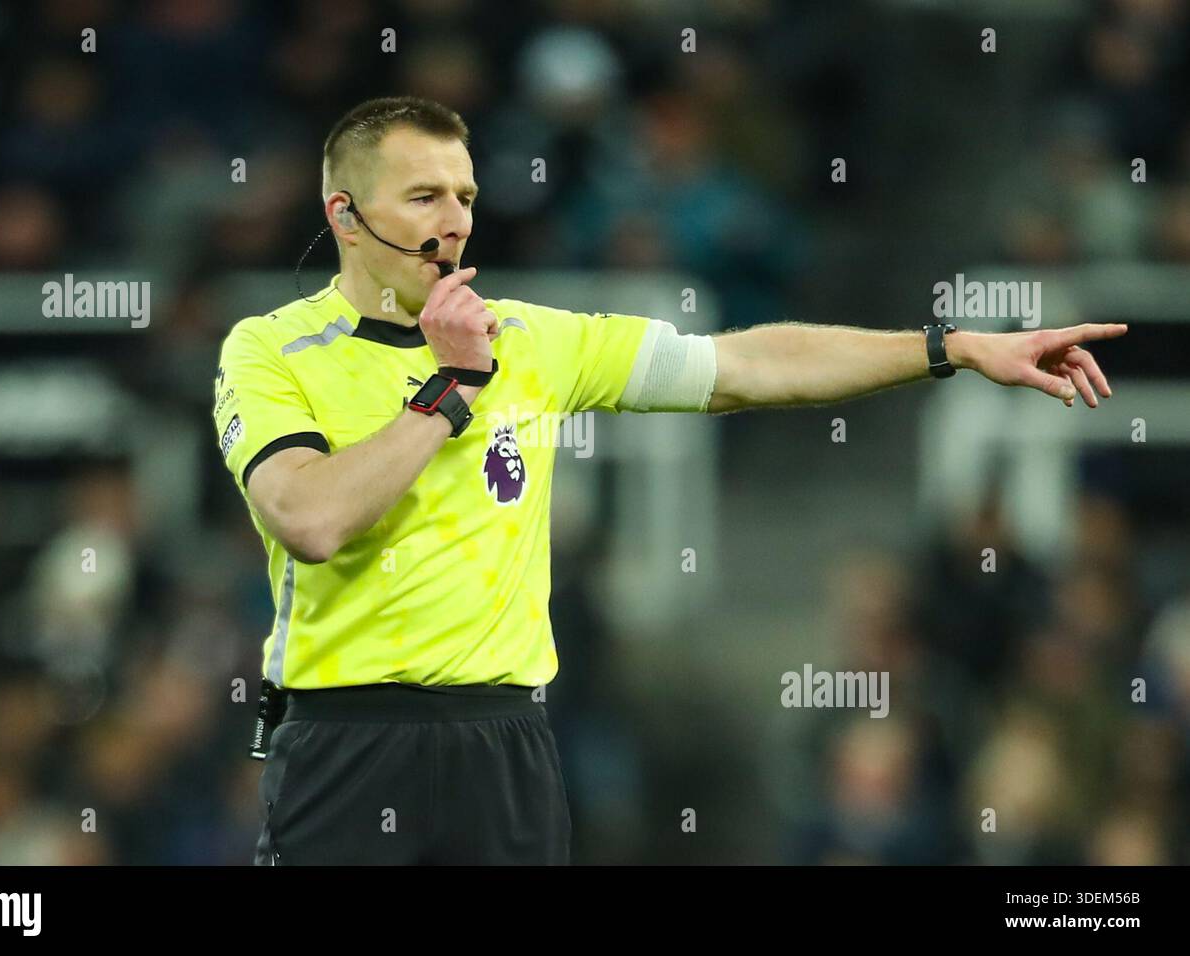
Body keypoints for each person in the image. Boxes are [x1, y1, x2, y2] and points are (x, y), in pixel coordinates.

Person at [213, 95, 1126, 865]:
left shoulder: (535, 340)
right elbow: (309, 516)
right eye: (422, 196)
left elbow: (744, 366)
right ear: (344, 215)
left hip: (506, 746)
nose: (453, 219)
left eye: (465, 195)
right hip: (344, 742)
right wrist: (452, 388)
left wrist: (949, 347)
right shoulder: (270, 350)